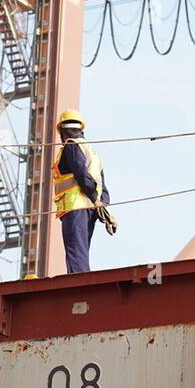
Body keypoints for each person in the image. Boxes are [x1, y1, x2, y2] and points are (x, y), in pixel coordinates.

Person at [51, 109, 112, 273]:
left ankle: (79, 285)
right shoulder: (92, 152)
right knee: (82, 250)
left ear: (62, 130)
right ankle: (82, 280)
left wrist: (93, 197)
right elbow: (102, 183)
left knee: (76, 251)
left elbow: (80, 173)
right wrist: (101, 204)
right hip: (90, 209)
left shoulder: (71, 146)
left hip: (75, 207)